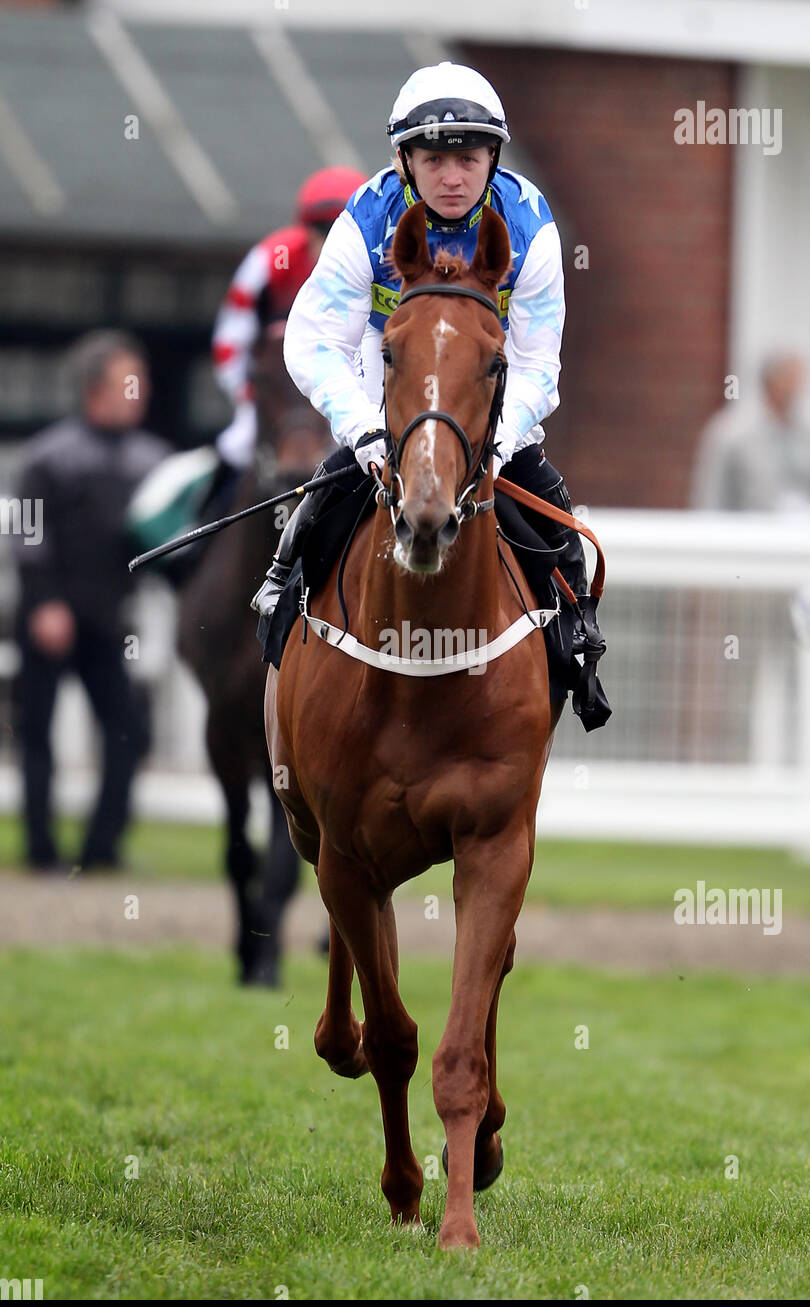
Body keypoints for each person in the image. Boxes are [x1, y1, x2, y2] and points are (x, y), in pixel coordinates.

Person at [252, 62, 605, 722]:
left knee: (558, 523)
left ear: (492, 157)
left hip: (482, 400)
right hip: (387, 384)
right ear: (403, 159)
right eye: (435, 158)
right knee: (323, 495)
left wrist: (493, 449)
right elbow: (312, 340)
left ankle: (577, 642)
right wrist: (361, 429)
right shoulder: (368, 214)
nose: (452, 177)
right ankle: (281, 595)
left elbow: (537, 367)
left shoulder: (530, 226)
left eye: (468, 158)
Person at [126, 166, 367, 561]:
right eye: (319, 231)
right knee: (237, 447)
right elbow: (229, 340)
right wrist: (248, 398)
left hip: (346, 396)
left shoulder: (382, 265)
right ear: (302, 228)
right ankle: (198, 541)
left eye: (339, 230)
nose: (327, 244)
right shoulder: (272, 260)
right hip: (275, 394)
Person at [13, 330, 169, 870]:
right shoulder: (47, 456)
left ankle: (101, 850)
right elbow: (26, 532)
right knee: (37, 735)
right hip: (49, 615)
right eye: (130, 382)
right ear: (94, 389)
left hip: (110, 619)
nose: (140, 391)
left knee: (127, 731)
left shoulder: (154, 462)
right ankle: (41, 852)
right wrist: (43, 603)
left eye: (142, 382)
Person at [691, 352, 810, 512]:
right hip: (745, 533)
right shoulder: (731, 433)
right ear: (770, 381)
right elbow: (710, 495)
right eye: (790, 379)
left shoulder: (808, 436)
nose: (796, 388)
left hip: (797, 533)